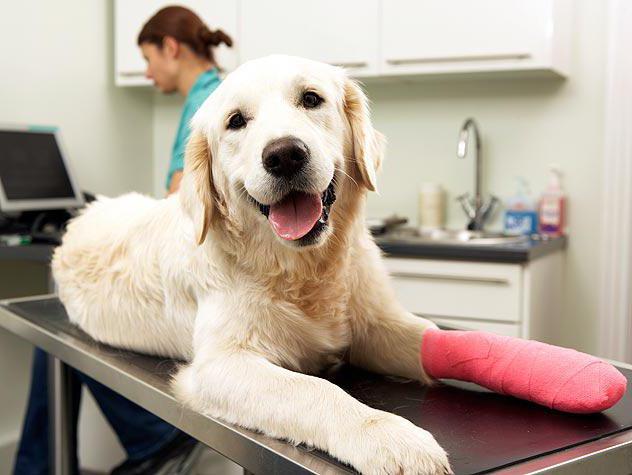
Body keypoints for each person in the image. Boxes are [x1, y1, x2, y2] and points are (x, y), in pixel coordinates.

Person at [13, 6, 231, 474]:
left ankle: (151, 438)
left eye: (149, 58)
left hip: (208, 288)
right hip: (209, 278)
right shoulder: (214, 95)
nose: (148, 72)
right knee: (68, 314)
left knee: (69, 313)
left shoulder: (209, 104)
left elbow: (184, 207)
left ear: (171, 48)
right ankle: (126, 443)